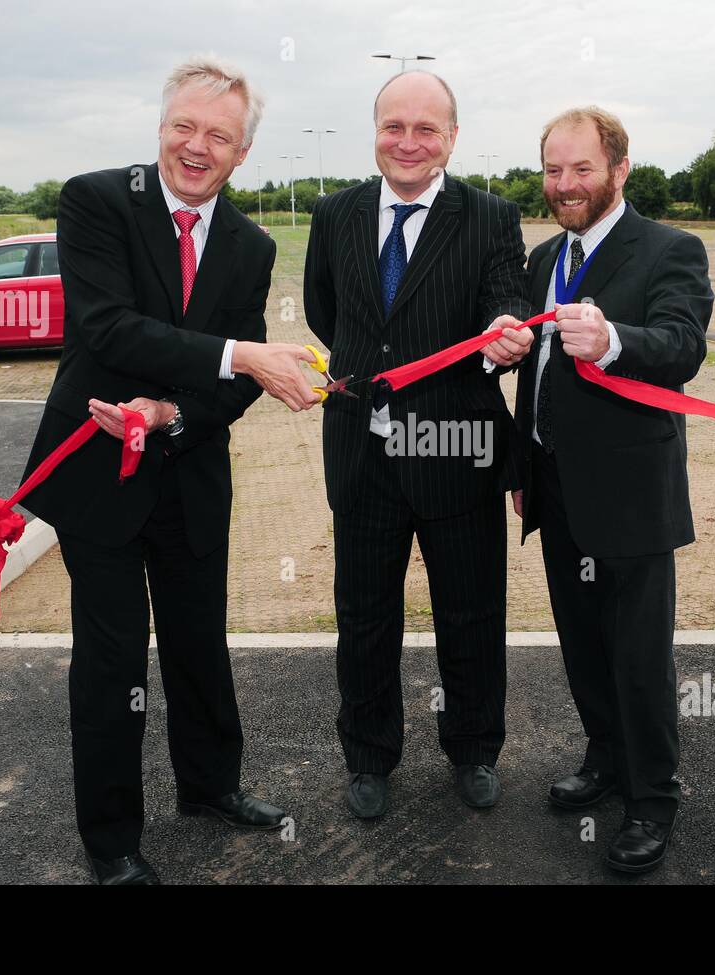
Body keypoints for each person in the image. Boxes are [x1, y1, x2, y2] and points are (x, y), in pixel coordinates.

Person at [18, 54, 321, 885]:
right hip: (96, 479)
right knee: (113, 659)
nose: (197, 146)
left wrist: (175, 414)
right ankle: (111, 839)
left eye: (218, 135)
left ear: (242, 154)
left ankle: (212, 784)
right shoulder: (97, 200)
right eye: (184, 127)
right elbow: (109, 330)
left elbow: (230, 391)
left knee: (199, 642)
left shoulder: (252, 245)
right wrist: (241, 355)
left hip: (188, 471)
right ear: (161, 128)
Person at [483, 106, 713, 874]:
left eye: (581, 169)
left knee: (639, 655)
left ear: (619, 170)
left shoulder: (670, 249)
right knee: (583, 645)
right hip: (552, 483)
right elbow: (532, 368)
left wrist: (615, 341)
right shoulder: (546, 256)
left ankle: (652, 798)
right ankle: (606, 760)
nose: (565, 184)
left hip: (631, 494)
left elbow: (682, 346)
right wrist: (520, 457)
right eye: (553, 170)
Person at [303, 71, 532, 819]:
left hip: (457, 450)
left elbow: (508, 297)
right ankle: (369, 756)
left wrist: (505, 335)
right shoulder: (334, 213)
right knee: (364, 614)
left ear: (452, 138)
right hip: (363, 455)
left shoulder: (492, 216)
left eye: (426, 129)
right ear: (374, 131)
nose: (408, 141)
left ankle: (473, 749)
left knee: (470, 612)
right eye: (394, 126)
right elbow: (325, 312)